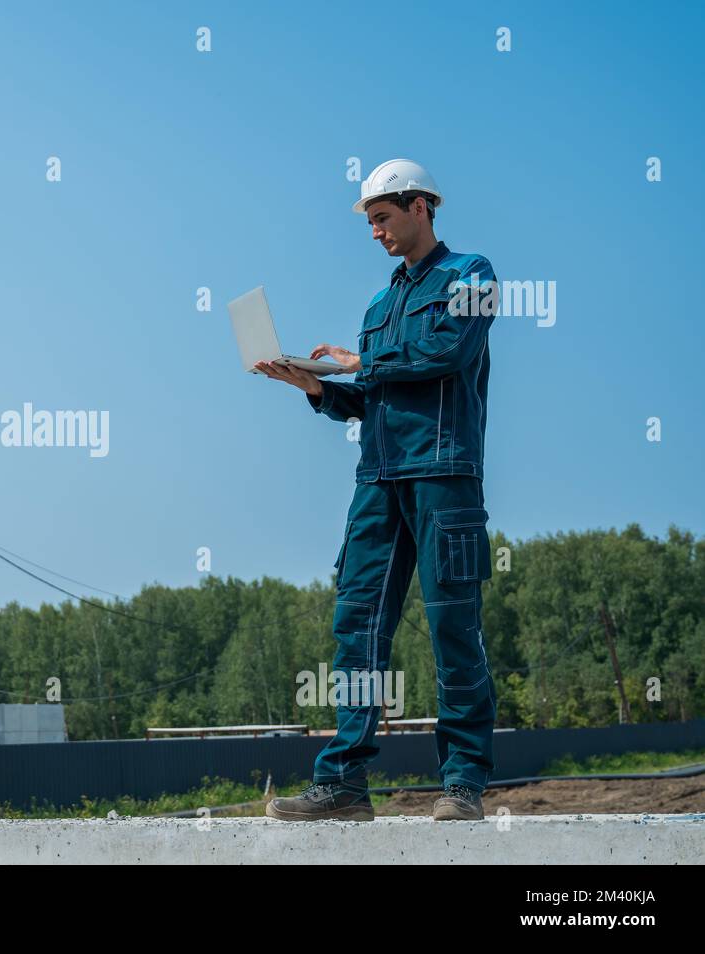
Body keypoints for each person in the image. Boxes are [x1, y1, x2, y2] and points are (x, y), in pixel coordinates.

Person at [259, 159, 498, 822]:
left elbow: (447, 351)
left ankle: (464, 782)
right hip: (377, 481)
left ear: (421, 206)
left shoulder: (472, 275)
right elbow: (370, 395)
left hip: (445, 475)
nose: (375, 233)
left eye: (383, 218)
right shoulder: (378, 304)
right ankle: (344, 784)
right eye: (369, 223)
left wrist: (364, 362)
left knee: (455, 626)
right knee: (356, 625)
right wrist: (315, 386)